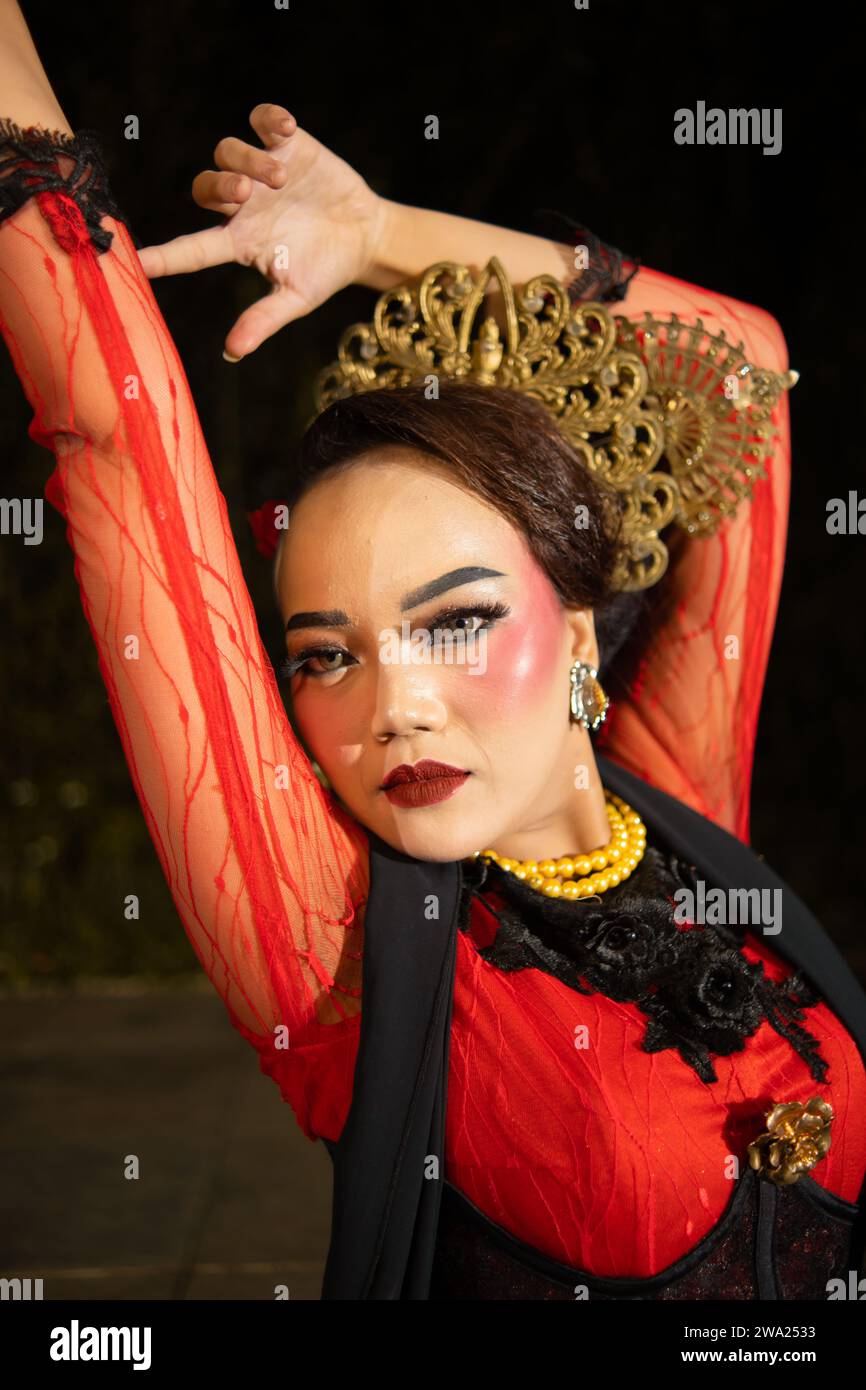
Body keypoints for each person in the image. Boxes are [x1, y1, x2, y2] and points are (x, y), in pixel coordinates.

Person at [1, 1, 864, 1301]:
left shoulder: (686, 809)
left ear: (574, 625)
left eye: (454, 619)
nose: (394, 706)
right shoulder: (336, 949)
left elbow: (737, 370)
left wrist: (380, 239)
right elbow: (112, 420)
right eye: (324, 655)